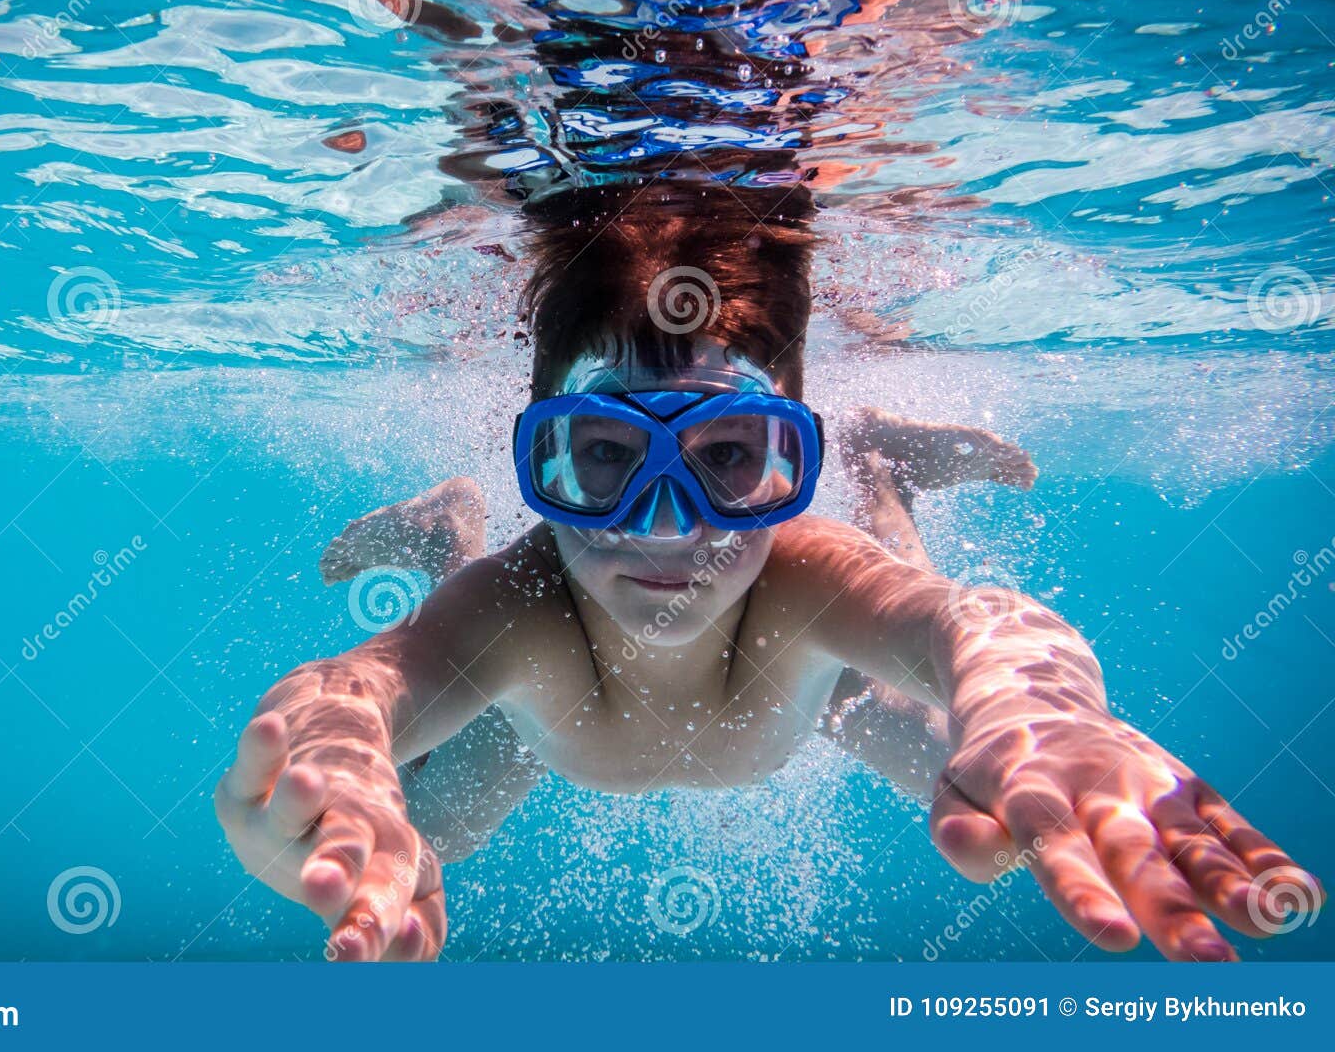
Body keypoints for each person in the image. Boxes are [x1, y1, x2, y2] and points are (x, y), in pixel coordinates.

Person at [214, 184, 1320, 962]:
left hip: (806, 689)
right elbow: (364, 681)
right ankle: (449, 521)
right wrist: (321, 765)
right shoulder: (522, 607)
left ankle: (881, 463)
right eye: (603, 455)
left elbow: (955, 621)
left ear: (792, 457)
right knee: (416, 834)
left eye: (728, 457)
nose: (661, 523)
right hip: (544, 712)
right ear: (544, 454)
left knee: (956, 749)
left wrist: (1035, 709)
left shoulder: (803, 574)